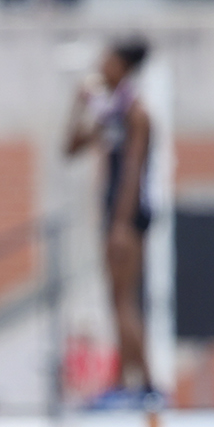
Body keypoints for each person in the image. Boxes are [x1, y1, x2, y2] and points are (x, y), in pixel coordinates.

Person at [64, 34, 154, 403]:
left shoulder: (136, 112)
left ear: (123, 66)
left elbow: (134, 170)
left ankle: (146, 383)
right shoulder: (110, 111)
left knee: (124, 299)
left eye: (108, 59)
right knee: (115, 297)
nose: (101, 64)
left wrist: (120, 224)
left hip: (127, 217)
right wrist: (77, 105)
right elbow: (70, 148)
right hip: (113, 213)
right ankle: (122, 381)